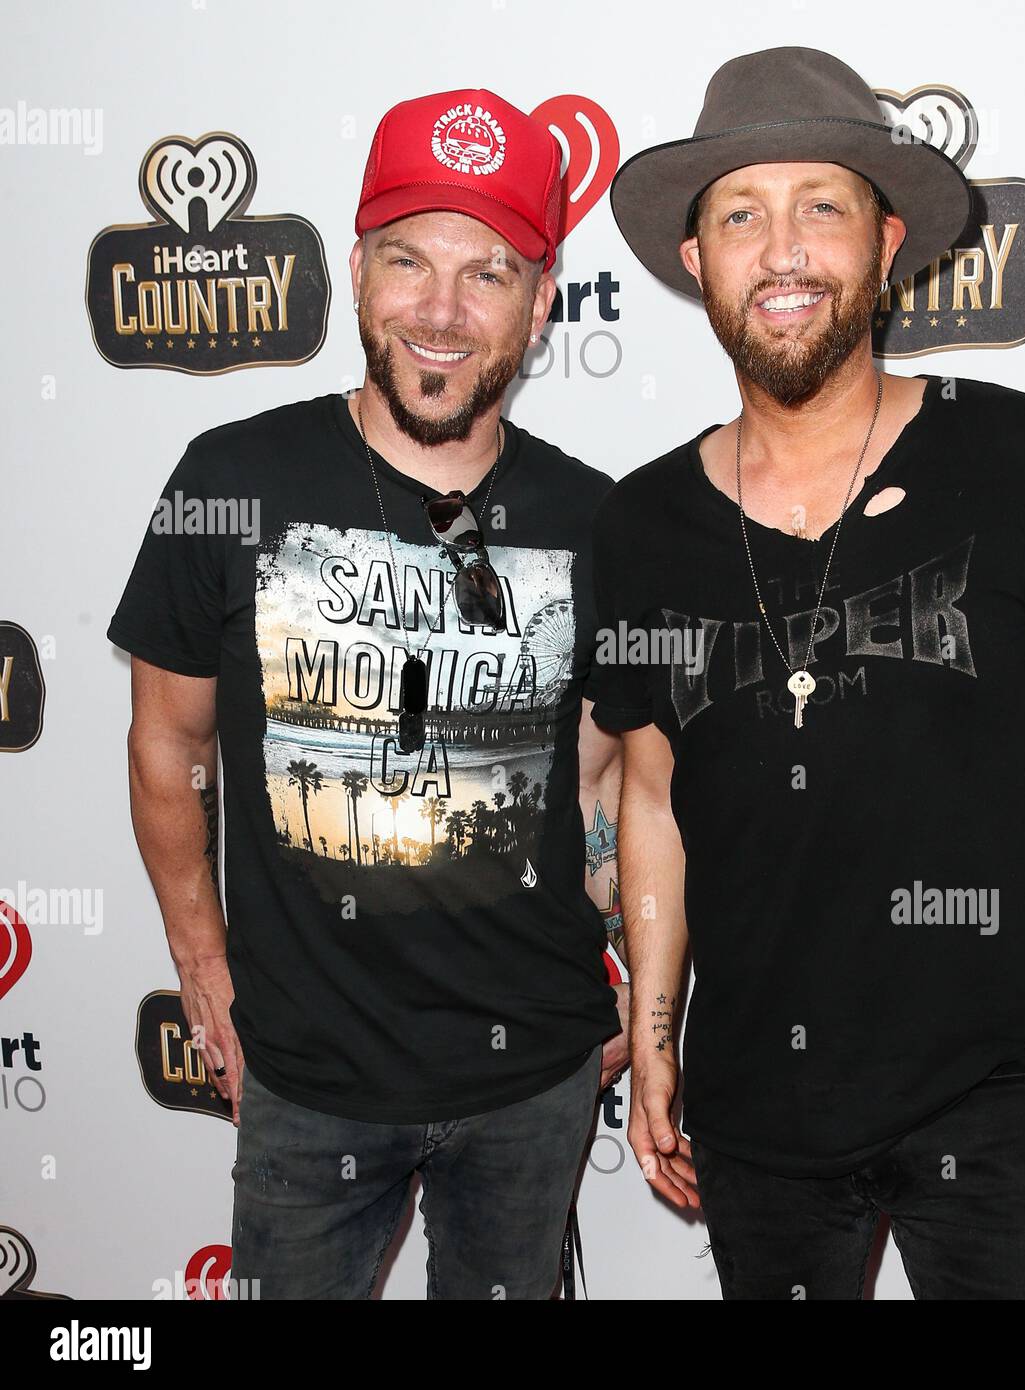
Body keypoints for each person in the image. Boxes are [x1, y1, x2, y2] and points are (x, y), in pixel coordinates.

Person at [592, 46, 1025, 1300]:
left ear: (887, 240)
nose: (781, 248)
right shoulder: (638, 526)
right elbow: (648, 793)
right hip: (756, 1105)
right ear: (696, 261)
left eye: (821, 207)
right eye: (740, 213)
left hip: (1003, 1089)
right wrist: (651, 1036)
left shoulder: (1019, 454)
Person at [108, 88, 627, 1300]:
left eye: (487, 273)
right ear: (356, 270)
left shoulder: (600, 519)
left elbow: (606, 778)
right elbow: (167, 741)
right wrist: (200, 963)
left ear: (540, 302)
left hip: (533, 1077)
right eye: (408, 261)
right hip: (303, 1076)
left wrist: (627, 980)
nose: (440, 312)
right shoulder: (229, 478)